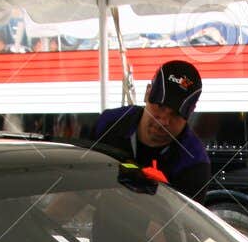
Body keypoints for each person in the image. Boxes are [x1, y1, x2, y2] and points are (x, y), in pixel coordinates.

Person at [88, 59, 212, 199]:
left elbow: (182, 220)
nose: (164, 121)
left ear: (190, 113)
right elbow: (77, 183)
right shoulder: (109, 124)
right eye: (160, 106)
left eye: (176, 114)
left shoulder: (193, 162)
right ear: (147, 92)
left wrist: (163, 195)